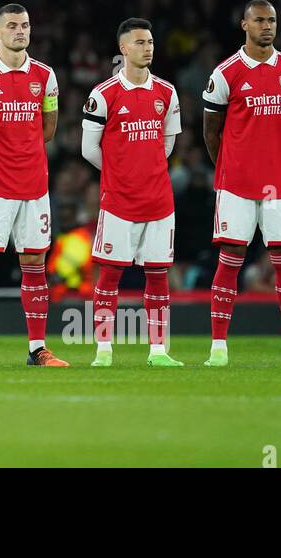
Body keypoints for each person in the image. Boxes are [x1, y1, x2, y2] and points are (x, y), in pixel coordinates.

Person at [201, 0, 281, 367]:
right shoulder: (226, 73)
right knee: (231, 258)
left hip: (279, 183)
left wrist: (272, 158)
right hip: (236, 183)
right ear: (244, 25)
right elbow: (211, 133)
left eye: (271, 20)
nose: (266, 26)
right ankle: (218, 348)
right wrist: (233, 166)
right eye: (259, 20)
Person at [0, 3, 68, 368]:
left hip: (34, 186)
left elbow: (47, 128)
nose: (21, 31)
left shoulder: (46, 76)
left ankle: (37, 348)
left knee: (35, 262)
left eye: (25, 25)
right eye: (13, 26)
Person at [81, 18, 184, 367]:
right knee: (110, 275)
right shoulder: (104, 94)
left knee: (158, 275)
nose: (148, 47)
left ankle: (158, 350)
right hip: (119, 202)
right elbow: (88, 149)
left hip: (159, 200)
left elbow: (168, 144)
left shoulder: (167, 93)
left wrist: (145, 169)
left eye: (151, 41)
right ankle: (104, 350)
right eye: (140, 42)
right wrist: (120, 172)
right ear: (124, 48)